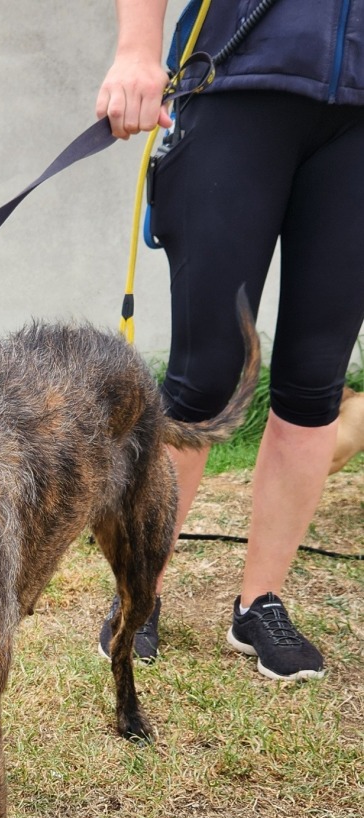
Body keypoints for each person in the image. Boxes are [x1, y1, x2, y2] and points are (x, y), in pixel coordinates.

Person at [94, 0, 364, 681]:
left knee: (314, 383)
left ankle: (259, 602)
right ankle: (141, 590)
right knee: (203, 378)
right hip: (240, 80)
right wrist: (137, 51)